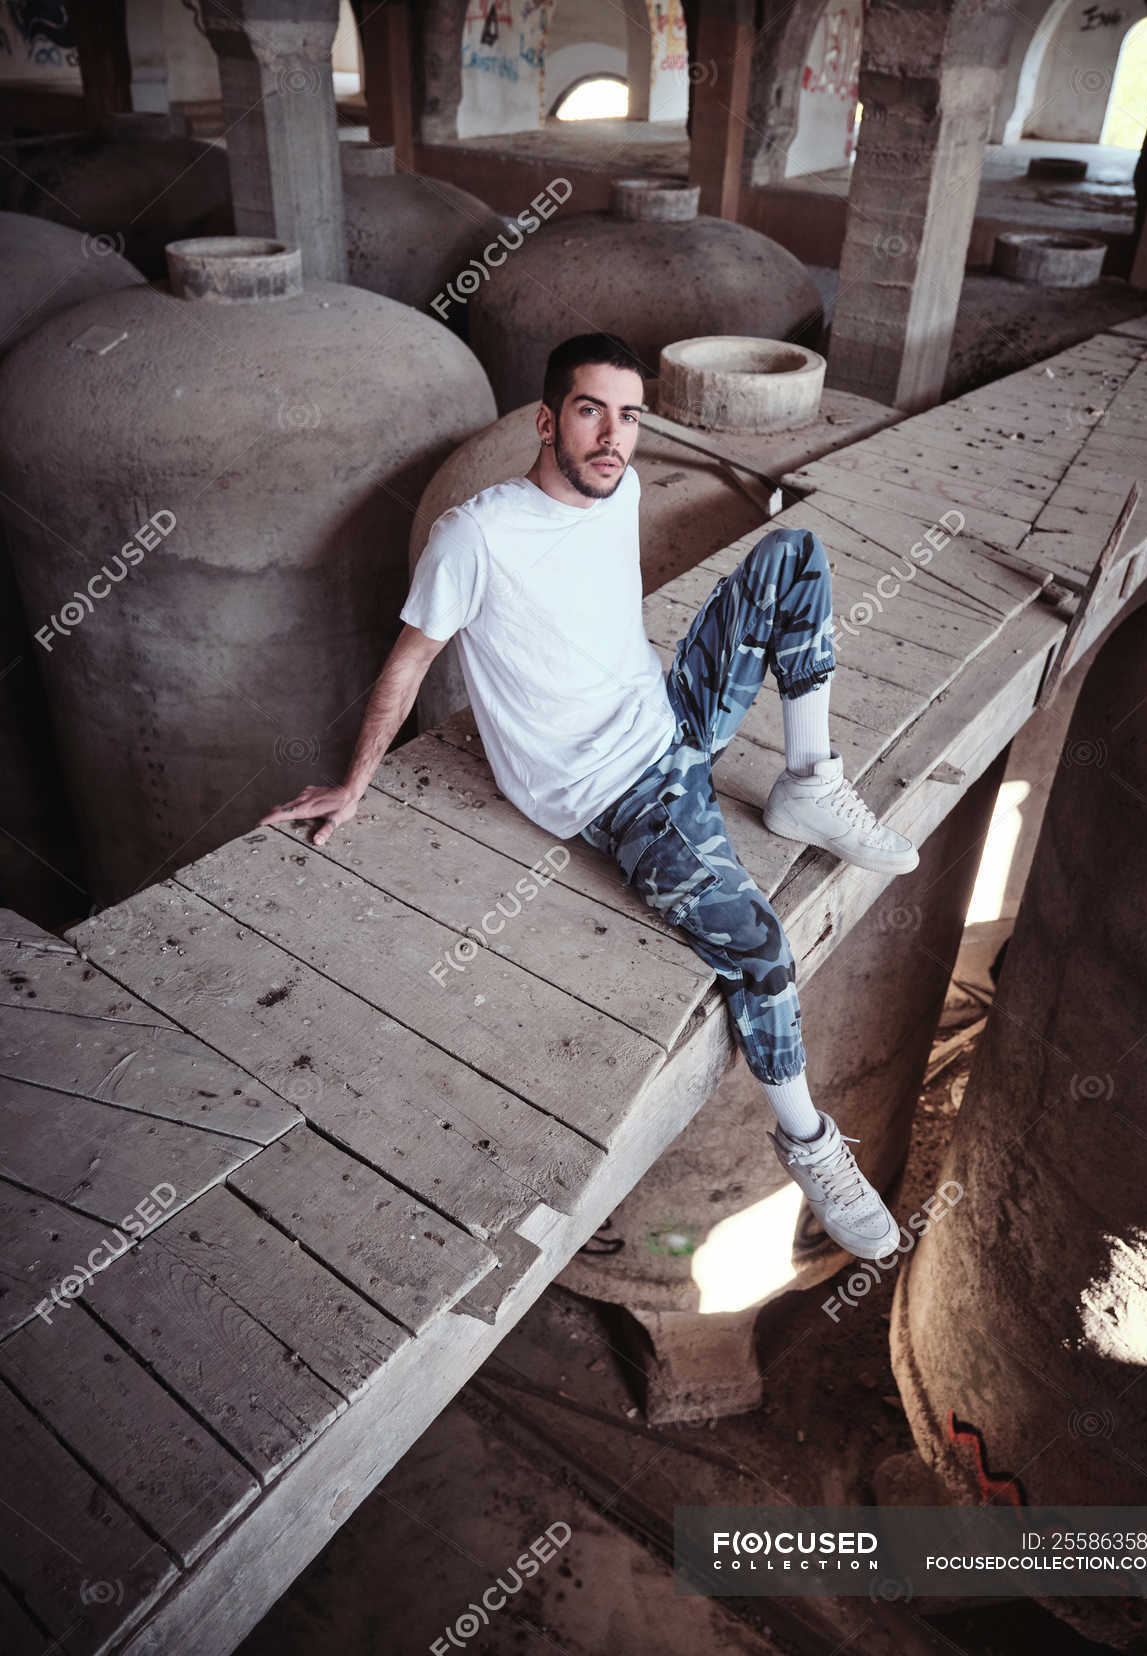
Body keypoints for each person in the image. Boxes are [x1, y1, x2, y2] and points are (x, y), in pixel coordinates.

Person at [259, 332, 920, 1260]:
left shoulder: (626, 487)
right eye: (590, 411)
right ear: (545, 419)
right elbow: (408, 665)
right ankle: (809, 1145)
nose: (614, 436)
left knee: (795, 554)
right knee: (761, 949)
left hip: (670, 715)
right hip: (619, 795)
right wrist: (354, 785)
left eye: (630, 416)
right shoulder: (474, 535)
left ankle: (810, 780)